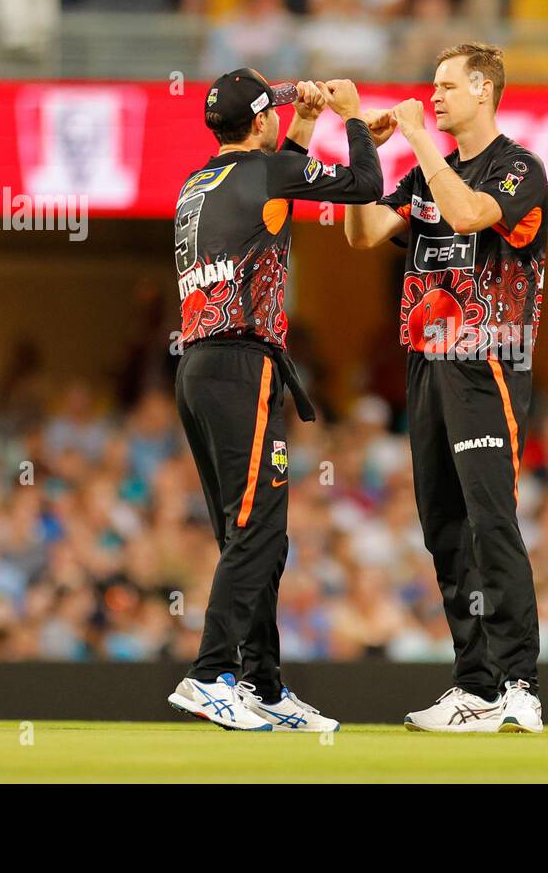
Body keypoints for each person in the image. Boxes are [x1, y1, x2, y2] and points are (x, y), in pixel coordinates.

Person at [166, 69, 383, 732]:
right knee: (260, 532)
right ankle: (210, 676)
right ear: (259, 124)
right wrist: (348, 118)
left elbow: (274, 187)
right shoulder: (263, 175)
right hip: (242, 367)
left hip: (199, 368)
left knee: (252, 535)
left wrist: (301, 119)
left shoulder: (198, 182)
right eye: (275, 114)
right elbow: (366, 187)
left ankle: (262, 684)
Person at [344, 42, 548, 733]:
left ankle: (519, 683)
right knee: (443, 529)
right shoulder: (425, 169)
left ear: (485, 91)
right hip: (426, 362)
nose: (433, 97)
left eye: (447, 86)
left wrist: (419, 144)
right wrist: (358, 151)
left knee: (492, 519)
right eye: (431, 87)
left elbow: (467, 216)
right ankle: (475, 683)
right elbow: (364, 233)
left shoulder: (519, 168)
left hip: (487, 357)